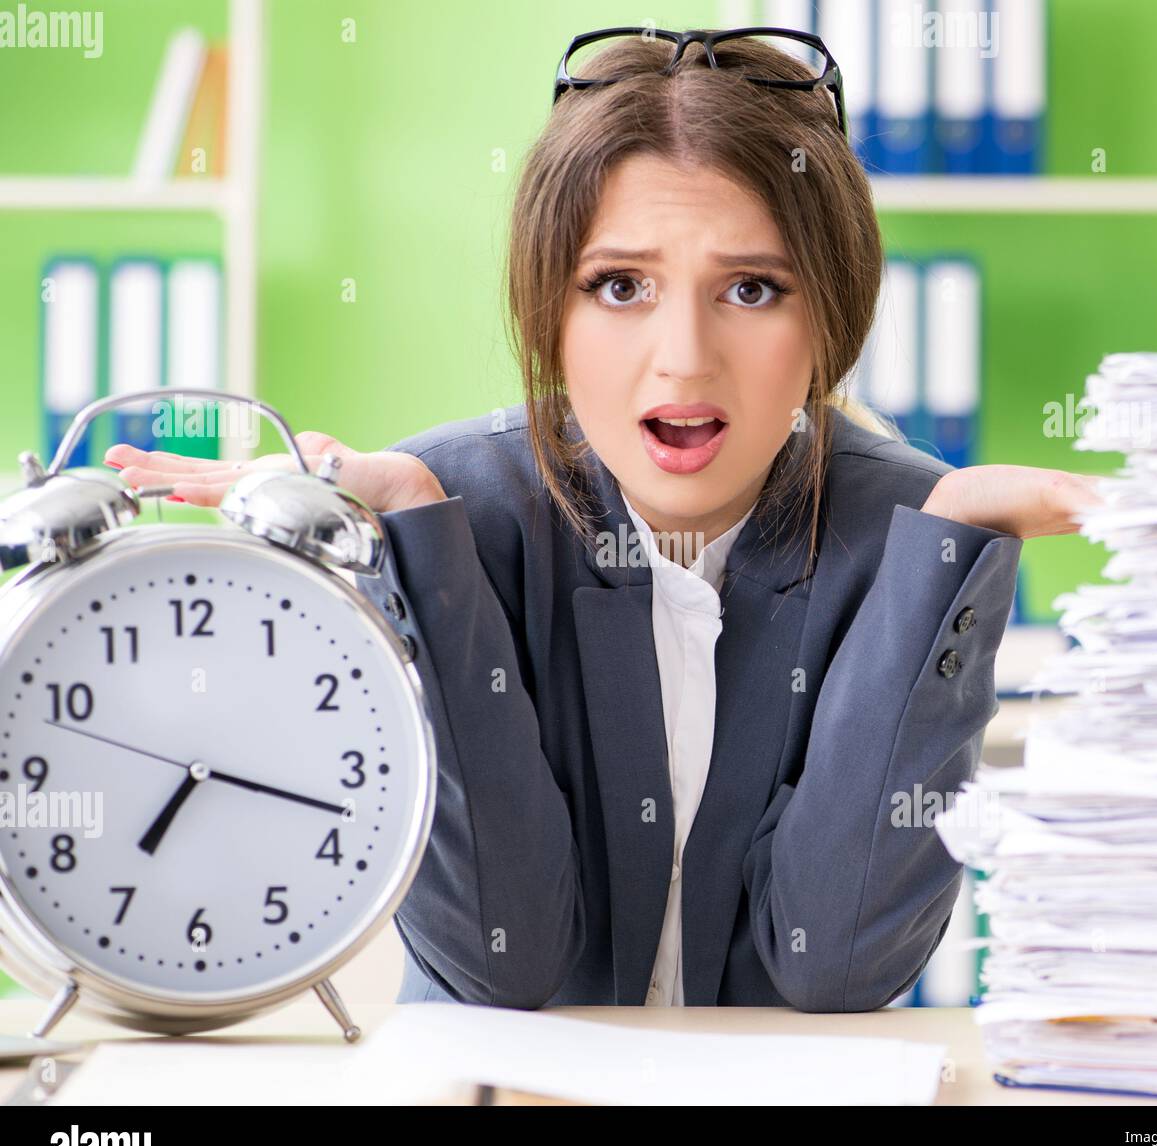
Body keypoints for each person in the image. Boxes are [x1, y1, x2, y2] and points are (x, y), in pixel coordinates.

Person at [104, 28, 1100, 1011]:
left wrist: (949, 554)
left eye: (750, 289)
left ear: (829, 317)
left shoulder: (906, 525)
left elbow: (833, 964)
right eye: (620, 286)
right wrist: (417, 555)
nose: (683, 357)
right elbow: (506, 964)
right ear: (551, 314)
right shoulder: (446, 509)